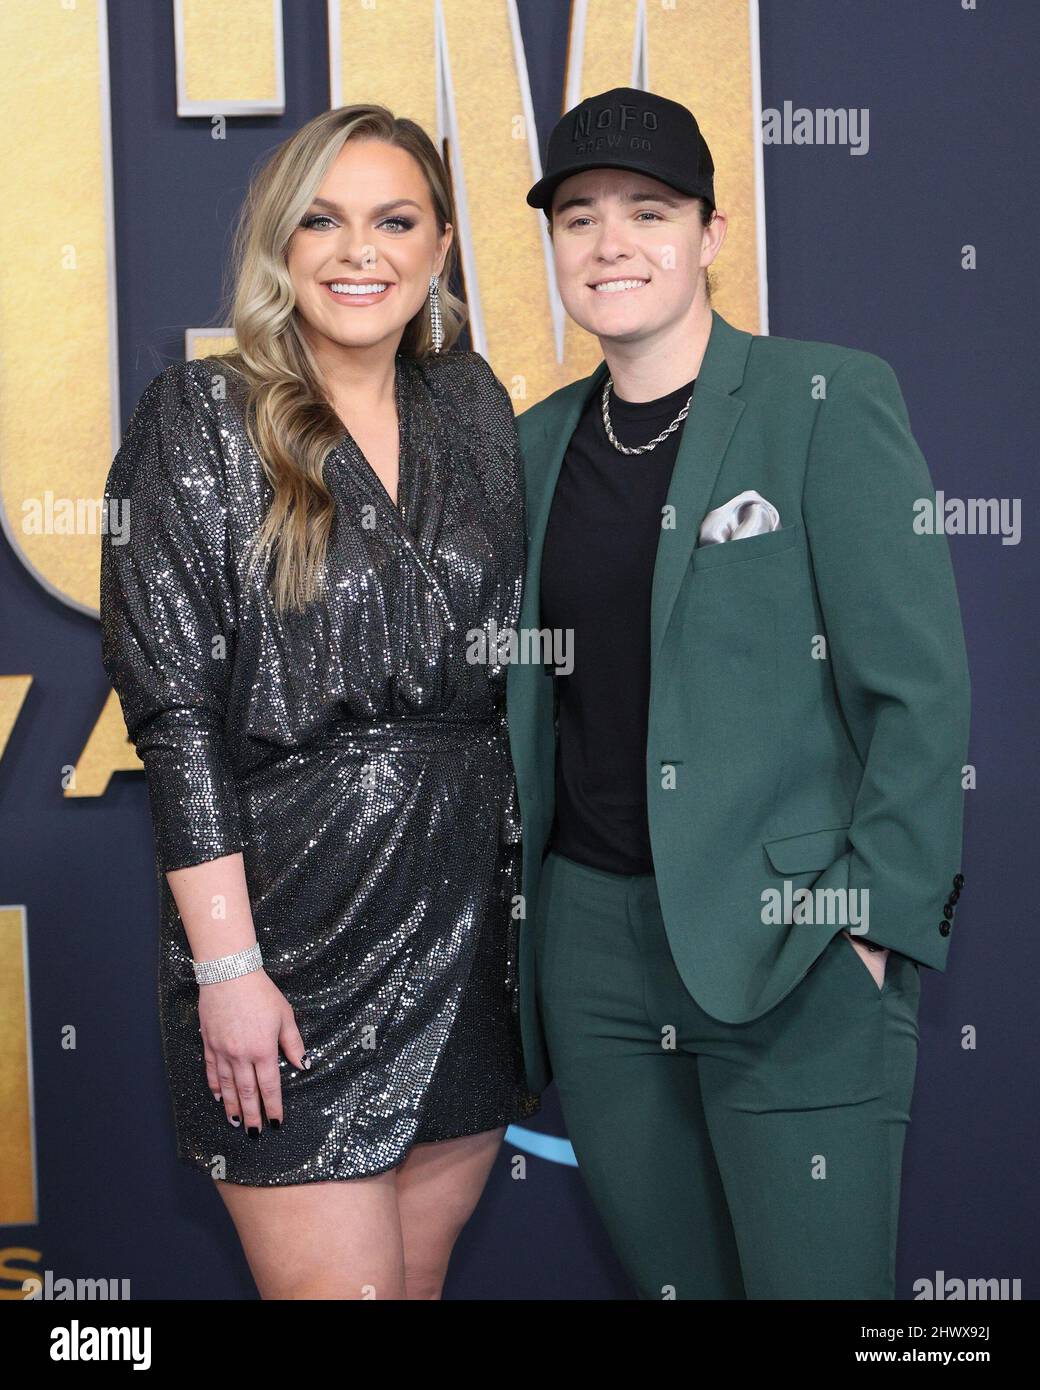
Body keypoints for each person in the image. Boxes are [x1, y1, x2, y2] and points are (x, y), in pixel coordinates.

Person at [507, 87, 971, 1299]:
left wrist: (867, 927)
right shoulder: (532, 443)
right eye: (577, 217)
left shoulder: (824, 399)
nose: (610, 242)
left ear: (711, 234)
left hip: (792, 946)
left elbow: (916, 692)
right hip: (593, 955)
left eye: (647, 211)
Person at [99, 103, 538, 1301]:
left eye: (395, 221)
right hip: (291, 936)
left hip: (465, 927)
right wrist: (228, 967)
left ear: (441, 246)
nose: (360, 252)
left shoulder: (473, 408)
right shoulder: (198, 417)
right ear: (280, 248)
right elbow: (174, 715)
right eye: (324, 222)